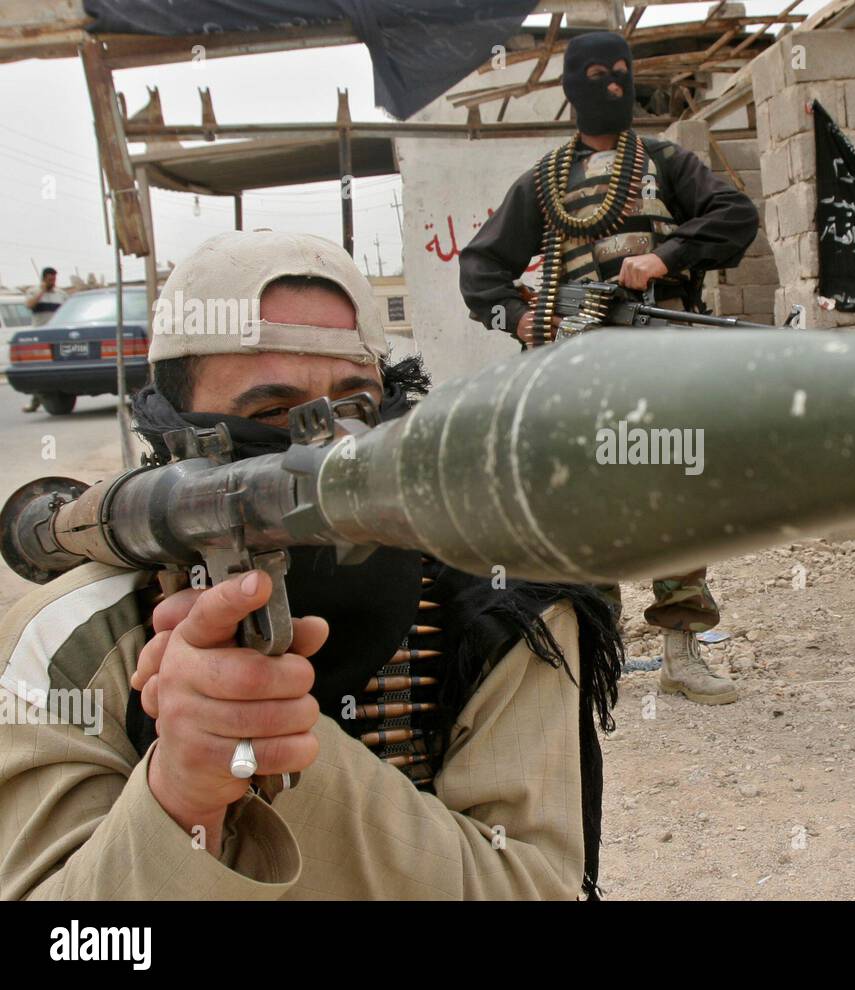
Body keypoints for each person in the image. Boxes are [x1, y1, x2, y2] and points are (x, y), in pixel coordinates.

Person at [0, 230, 622, 900]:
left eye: (355, 407)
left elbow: (534, 889)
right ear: (175, 429)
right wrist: (178, 800)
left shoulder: (502, 600)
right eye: (272, 412)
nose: (329, 448)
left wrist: (279, 751)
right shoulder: (73, 636)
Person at [459, 31, 759, 705]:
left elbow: (736, 216)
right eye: (597, 75)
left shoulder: (665, 162)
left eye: (623, 74)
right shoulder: (545, 181)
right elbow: (482, 265)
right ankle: (598, 650)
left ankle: (683, 651)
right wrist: (519, 316)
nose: (614, 86)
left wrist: (667, 256)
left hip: (662, 357)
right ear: (571, 88)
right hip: (580, 364)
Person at [20, 266, 68, 412]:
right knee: (40, 368)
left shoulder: (60, 294)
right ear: (44, 278)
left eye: (54, 279)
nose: (52, 281)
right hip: (40, 336)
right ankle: (36, 401)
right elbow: (29, 305)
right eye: (49, 279)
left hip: (57, 335)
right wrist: (42, 290)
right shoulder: (33, 292)